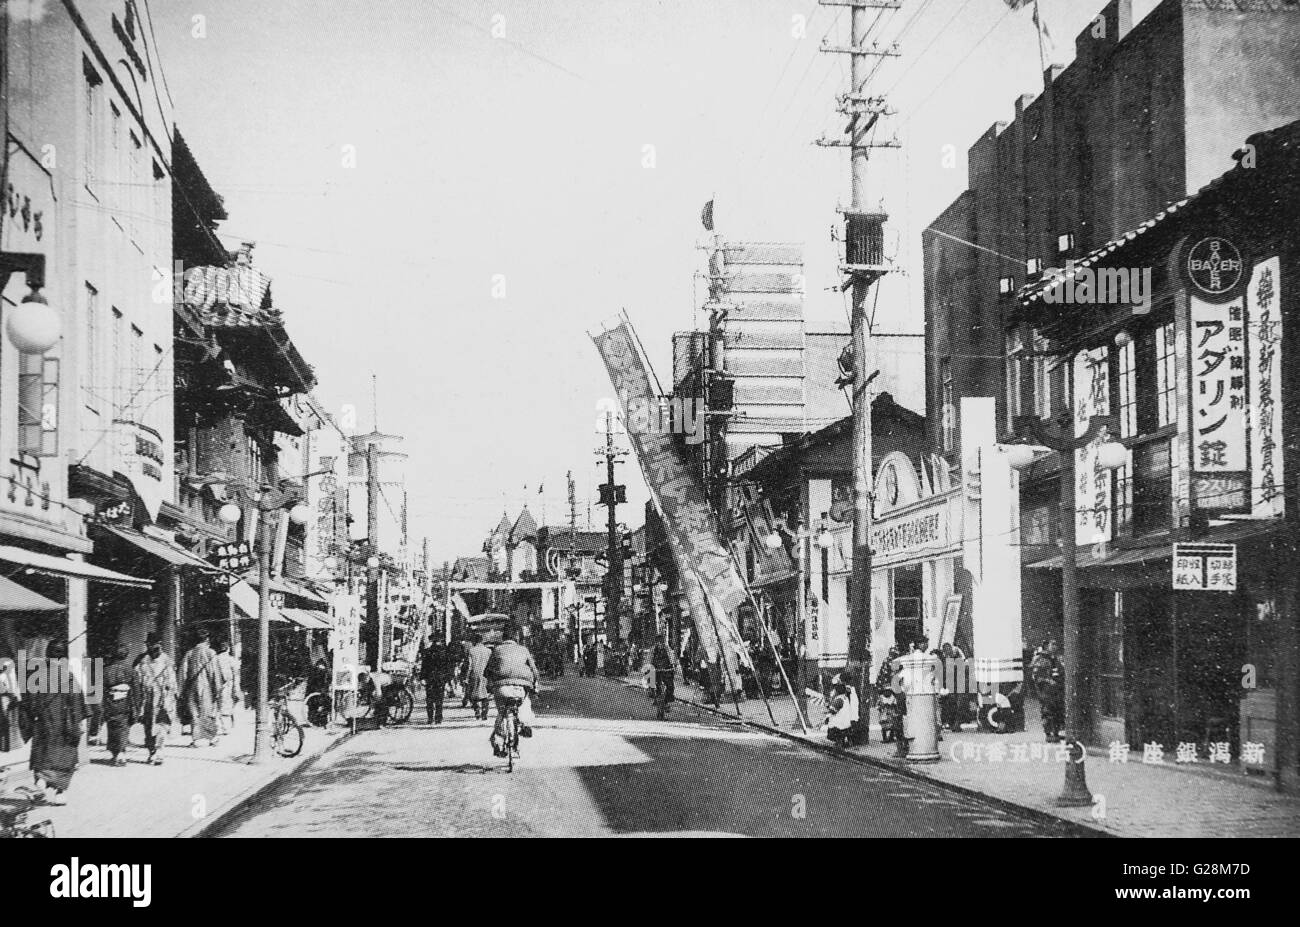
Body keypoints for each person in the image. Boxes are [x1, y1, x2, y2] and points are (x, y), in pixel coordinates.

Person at [24, 640, 86, 804]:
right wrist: (79, 722)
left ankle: (41, 782)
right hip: (66, 725)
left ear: (47, 655)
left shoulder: (36, 677)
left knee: (43, 755)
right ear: (63, 657)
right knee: (65, 757)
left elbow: (30, 703)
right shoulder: (69, 677)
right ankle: (60, 794)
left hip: (43, 724)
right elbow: (77, 702)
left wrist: (32, 720)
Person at [485, 621, 539, 758]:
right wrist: (535, 684)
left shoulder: (496, 650)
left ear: (503, 637)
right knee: (525, 703)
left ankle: (498, 742)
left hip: (501, 688)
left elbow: (487, 671)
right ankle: (525, 724)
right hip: (520, 688)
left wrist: (490, 685)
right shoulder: (523, 650)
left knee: (502, 713)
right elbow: (534, 671)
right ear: (517, 637)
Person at [132, 633, 177, 766]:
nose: (156, 649)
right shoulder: (141, 661)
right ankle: (151, 751)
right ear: (148, 646)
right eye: (152, 646)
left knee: (161, 726)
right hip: (147, 699)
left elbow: (172, 683)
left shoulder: (167, 661)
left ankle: (159, 752)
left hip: (163, 698)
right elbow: (136, 681)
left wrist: (170, 698)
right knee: (148, 726)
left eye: (157, 646)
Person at [179, 629, 223, 747]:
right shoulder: (211, 653)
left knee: (194, 712)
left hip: (192, 686)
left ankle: (196, 739)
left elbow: (183, 673)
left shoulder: (189, 653)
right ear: (207, 639)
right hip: (207, 686)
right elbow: (216, 673)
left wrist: (181, 690)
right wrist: (218, 689)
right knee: (208, 711)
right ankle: (211, 738)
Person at [101, 646, 133, 766]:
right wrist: (136, 704)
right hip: (125, 701)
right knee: (123, 727)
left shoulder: (106, 670)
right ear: (126, 656)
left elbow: (101, 688)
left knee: (112, 726)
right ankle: (121, 753)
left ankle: (115, 753)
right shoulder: (130, 670)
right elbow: (135, 689)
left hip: (110, 701)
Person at [1030, 638, 1064, 742]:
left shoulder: (1055, 659)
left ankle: (1056, 733)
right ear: (1046, 646)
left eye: (1055, 644)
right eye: (1052, 644)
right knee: (1047, 711)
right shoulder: (1041, 659)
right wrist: (1048, 681)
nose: (1055, 646)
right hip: (1046, 690)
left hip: (1056, 690)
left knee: (1058, 711)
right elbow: (1037, 676)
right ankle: (1048, 734)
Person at [420, 638, 455, 724]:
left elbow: (424, 666)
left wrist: (422, 678)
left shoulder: (428, 652)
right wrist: (448, 679)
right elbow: (448, 667)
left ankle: (430, 718)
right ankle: (438, 718)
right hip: (440, 678)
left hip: (430, 678)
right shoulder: (444, 653)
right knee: (439, 699)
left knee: (430, 699)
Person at [214, 640, 241, 736]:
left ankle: (217, 727)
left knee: (216, 706)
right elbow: (236, 674)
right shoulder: (231, 659)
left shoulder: (215, 659)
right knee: (226, 705)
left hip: (216, 685)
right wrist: (236, 688)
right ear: (228, 649)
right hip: (227, 685)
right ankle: (226, 727)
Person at [824, 674, 858, 749]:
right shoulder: (845, 698)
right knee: (845, 730)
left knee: (836, 730)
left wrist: (828, 712)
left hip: (839, 720)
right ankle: (846, 742)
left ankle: (839, 743)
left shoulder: (839, 699)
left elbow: (834, 709)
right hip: (846, 718)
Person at [464, 633, 492, 721]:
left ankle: (477, 710)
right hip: (485, 675)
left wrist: (467, 677)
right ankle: (484, 710)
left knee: (473, 694)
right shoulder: (488, 651)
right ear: (482, 641)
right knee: (485, 694)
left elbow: (469, 665)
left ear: (474, 641)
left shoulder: (471, 651)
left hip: (474, 674)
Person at [650, 634, 675, 714]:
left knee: (670, 686)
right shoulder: (653, 650)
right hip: (656, 670)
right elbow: (649, 659)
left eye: (661, 642)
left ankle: (667, 701)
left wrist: (673, 665)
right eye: (658, 642)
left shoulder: (667, 649)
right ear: (656, 642)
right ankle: (654, 697)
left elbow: (672, 657)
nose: (660, 643)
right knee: (652, 684)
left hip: (666, 670)